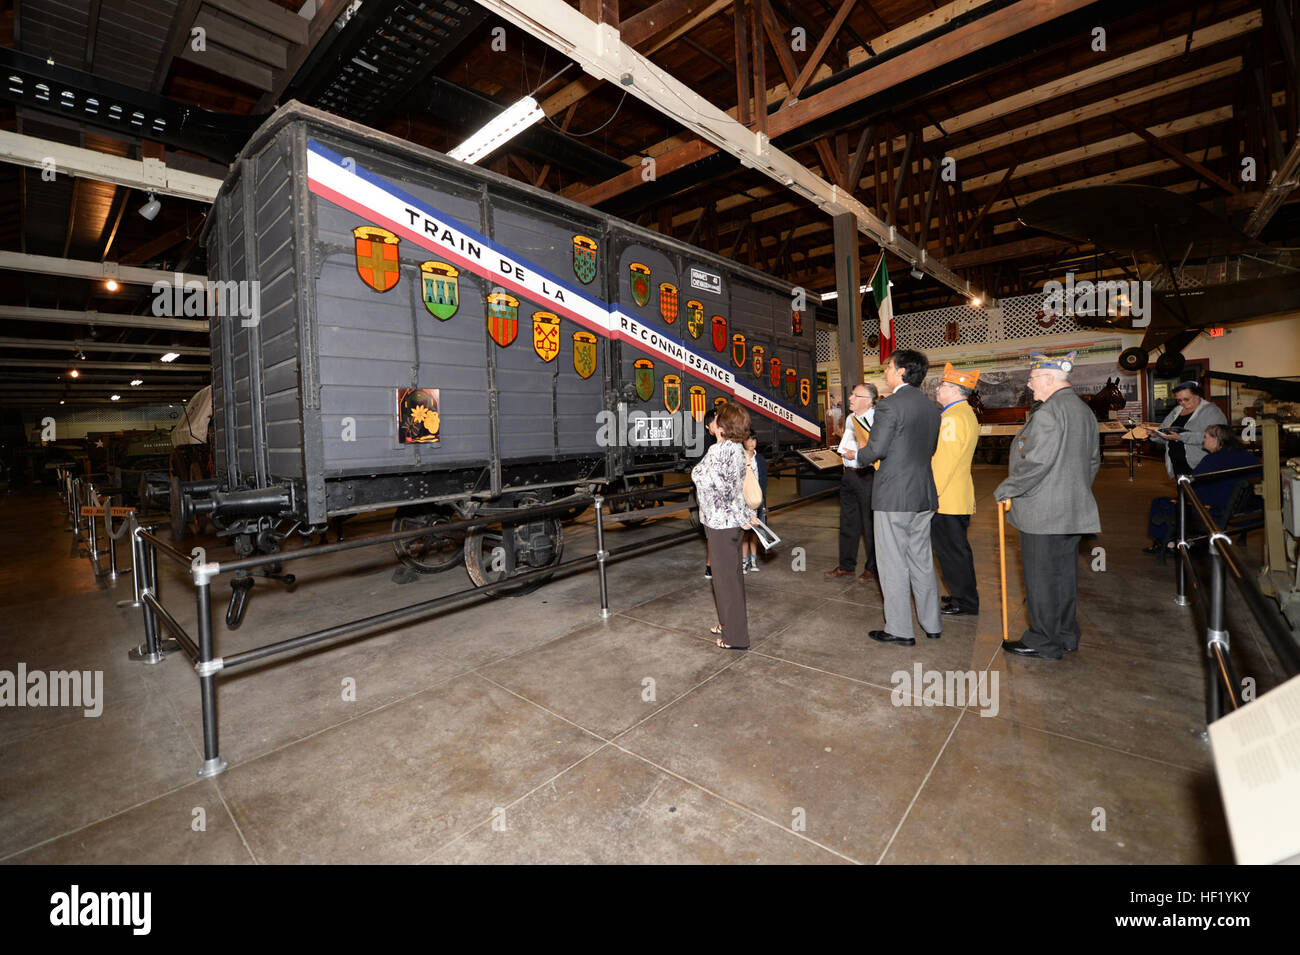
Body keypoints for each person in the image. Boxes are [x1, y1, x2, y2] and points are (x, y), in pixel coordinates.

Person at [995, 352, 1101, 661]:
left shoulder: (1049, 412)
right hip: (1071, 509)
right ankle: (1066, 633)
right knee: (1064, 576)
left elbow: (1036, 463)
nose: (1030, 386)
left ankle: (1043, 640)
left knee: (1041, 579)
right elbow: (1093, 461)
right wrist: (1074, 490)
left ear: (1049, 379)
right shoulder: (1083, 410)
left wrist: (1007, 489)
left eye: (1032, 379)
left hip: (1043, 512)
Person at [857, 350, 943, 646]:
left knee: (893, 562)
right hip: (923, 493)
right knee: (921, 559)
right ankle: (932, 623)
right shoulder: (931, 407)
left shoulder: (890, 406)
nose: (885, 373)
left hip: (894, 496)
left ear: (903, 371)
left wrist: (855, 456)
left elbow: (876, 449)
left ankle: (899, 629)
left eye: (889, 368)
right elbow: (929, 449)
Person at [691, 402, 756, 649]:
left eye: (717, 416)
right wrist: (745, 516)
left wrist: (742, 516)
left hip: (720, 525)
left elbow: (721, 488)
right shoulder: (735, 448)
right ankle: (729, 623)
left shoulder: (720, 452)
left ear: (722, 425)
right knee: (731, 578)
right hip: (729, 524)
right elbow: (734, 490)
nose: (714, 418)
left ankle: (735, 638)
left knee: (725, 582)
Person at [1144, 423, 1259, 557]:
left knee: (1161, 503)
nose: (1203, 440)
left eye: (1206, 437)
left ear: (1216, 440)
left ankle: (1169, 544)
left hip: (1219, 512)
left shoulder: (1212, 460)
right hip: (1249, 512)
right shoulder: (1248, 456)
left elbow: (1190, 490)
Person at [930, 364, 981, 617]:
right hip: (955, 495)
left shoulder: (951, 418)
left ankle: (965, 601)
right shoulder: (963, 413)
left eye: (942, 385)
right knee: (955, 550)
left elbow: (944, 462)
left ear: (954, 390)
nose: (938, 389)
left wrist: (931, 494)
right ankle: (962, 595)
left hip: (946, 498)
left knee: (952, 552)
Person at [825, 383, 879, 583]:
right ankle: (846, 566)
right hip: (849, 473)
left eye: (855, 395)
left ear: (869, 400)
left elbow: (876, 449)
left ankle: (872, 568)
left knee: (870, 523)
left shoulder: (878, 419)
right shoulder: (850, 418)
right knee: (848, 522)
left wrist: (857, 455)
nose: (850, 398)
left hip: (867, 474)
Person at [1149, 381, 1226, 478]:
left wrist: (1181, 437)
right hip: (1177, 464)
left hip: (1200, 464)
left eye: (1186, 399)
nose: (1183, 403)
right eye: (1179, 400)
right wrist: (1156, 435)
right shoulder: (1177, 410)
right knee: (1183, 490)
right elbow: (1165, 433)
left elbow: (1216, 437)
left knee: (1198, 492)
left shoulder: (1211, 411)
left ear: (1197, 395)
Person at [742, 433, 768, 573]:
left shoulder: (760, 459)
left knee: (755, 531)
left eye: (754, 440)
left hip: (757, 499)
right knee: (745, 531)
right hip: (744, 500)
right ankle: (744, 560)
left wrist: (762, 498)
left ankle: (753, 559)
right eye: (748, 440)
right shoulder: (740, 458)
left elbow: (764, 479)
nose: (752, 443)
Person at [701, 407, 718, 580]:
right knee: (711, 534)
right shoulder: (706, 444)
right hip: (710, 497)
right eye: (715, 419)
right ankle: (710, 565)